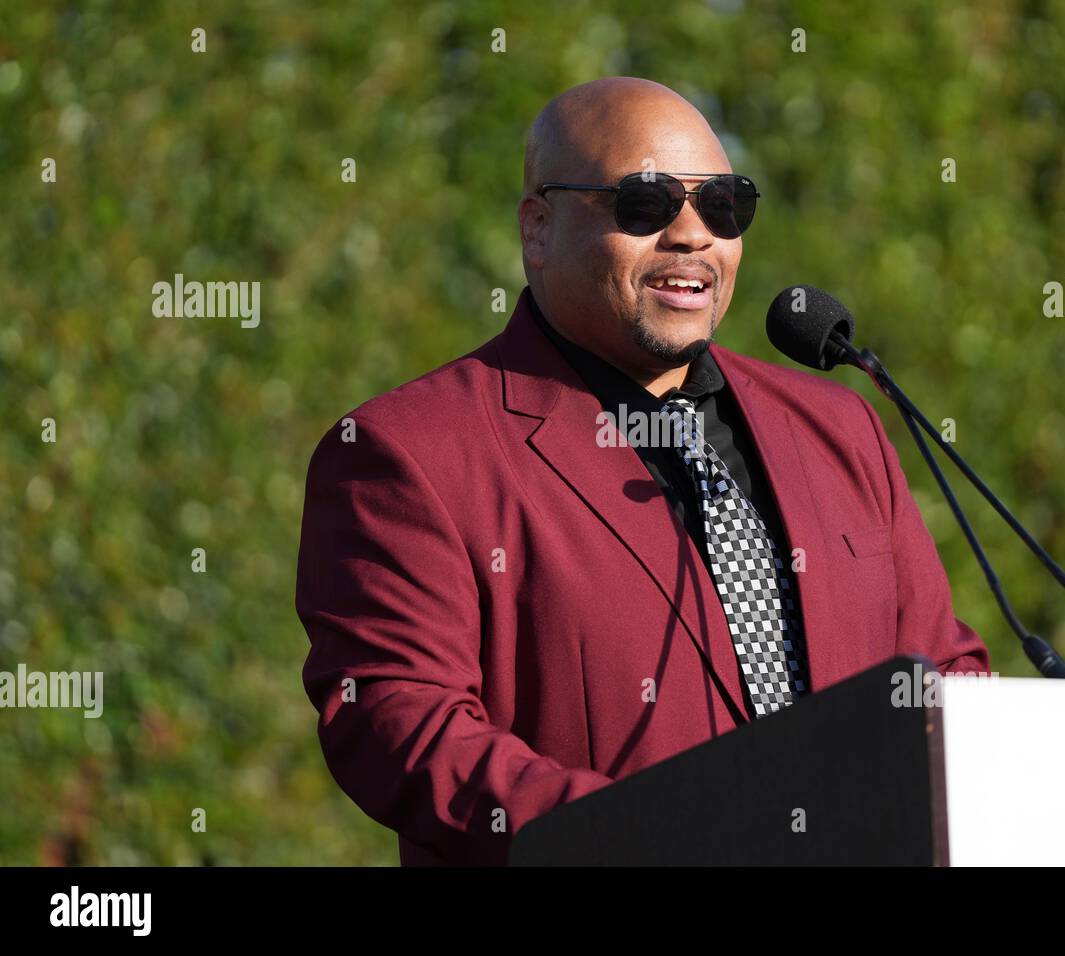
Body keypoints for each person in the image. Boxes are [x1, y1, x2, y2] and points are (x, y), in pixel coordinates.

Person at [296, 77, 988, 866]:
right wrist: (650, 834)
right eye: (645, 204)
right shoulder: (407, 451)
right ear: (538, 229)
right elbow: (400, 721)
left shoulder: (839, 426)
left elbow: (945, 672)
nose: (693, 236)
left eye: (722, 206)